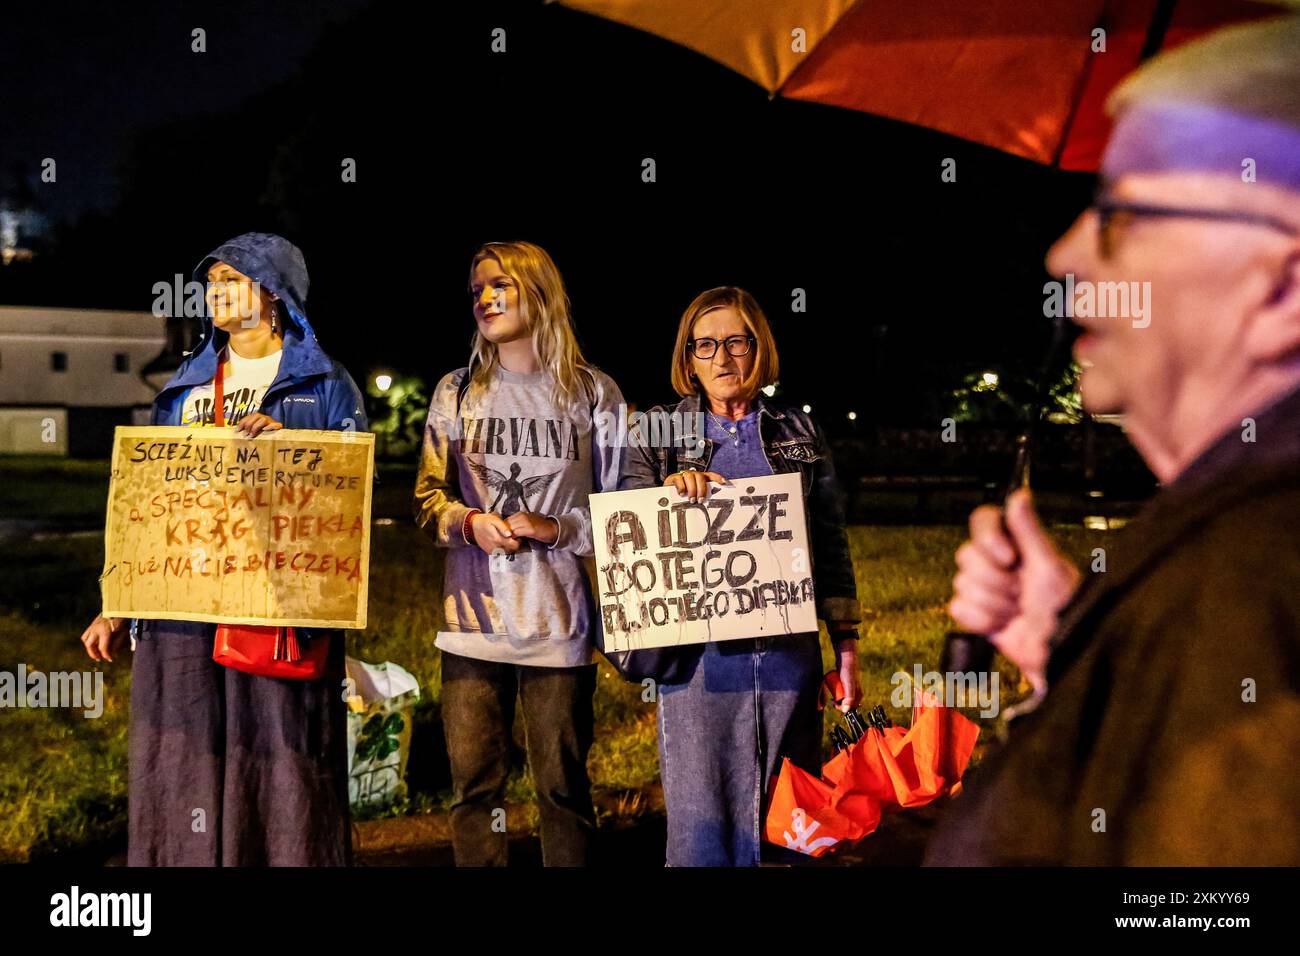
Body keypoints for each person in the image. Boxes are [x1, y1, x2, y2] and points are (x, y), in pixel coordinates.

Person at [929, 17, 1300, 865]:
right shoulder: (1224, 570)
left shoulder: (1254, 591)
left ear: (1282, 288)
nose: (1064, 255)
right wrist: (1079, 660)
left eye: (1120, 215)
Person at [79, 232, 368, 866]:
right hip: (183, 608)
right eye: (210, 282)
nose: (215, 292)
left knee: (281, 755)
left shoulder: (324, 385)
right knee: (185, 754)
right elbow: (150, 504)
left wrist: (292, 443)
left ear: (273, 293)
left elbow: (350, 498)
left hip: (277, 606)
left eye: (232, 279)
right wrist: (119, 601)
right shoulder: (183, 388)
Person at [620, 286, 863, 866]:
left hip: (788, 660)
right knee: (704, 829)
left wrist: (846, 647)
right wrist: (666, 497)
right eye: (705, 346)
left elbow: (828, 541)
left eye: (736, 342)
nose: (722, 359)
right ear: (688, 357)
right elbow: (626, 523)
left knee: (791, 824)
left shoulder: (798, 430)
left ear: (761, 349)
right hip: (699, 667)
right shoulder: (656, 430)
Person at [413, 240, 626, 866]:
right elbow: (428, 499)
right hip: (470, 625)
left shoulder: (594, 394)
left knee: (562, 791)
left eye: (500, 283)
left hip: (560, 625)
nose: (484, 297)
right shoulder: (456, 391)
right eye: (476, 288)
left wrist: (556, 528)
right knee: (473, 792)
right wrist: (470, 522)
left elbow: (625, 514)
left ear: (540, 291)